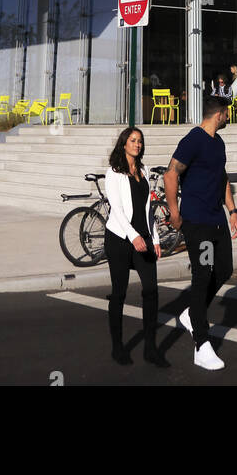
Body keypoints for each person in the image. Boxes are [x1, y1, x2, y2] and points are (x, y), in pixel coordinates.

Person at [165, 96, 237, 372]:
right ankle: (201, 345)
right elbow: (171, 174)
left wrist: (232, 211)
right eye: (227, 113)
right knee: (203, 274)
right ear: (219, 114)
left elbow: (222, 178)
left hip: (217, 220)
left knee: (224, 270)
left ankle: (191, 313)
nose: (229, 116)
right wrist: (174, 212)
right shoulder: (193, 139)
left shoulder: (218, 143)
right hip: (198, 223)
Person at [104, 127, 165, 367]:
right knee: (119, 293)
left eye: (140, 141)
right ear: (124, 143)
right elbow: (116, 210)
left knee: (151, 290)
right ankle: (118, 348)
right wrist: (133, 236)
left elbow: (148, 209)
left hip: (144, 238)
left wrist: (156, 238)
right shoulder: (114, 172)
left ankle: (150, 348)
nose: (137, 145)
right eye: (133, 140)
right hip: (119, 239)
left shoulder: (143, 170)